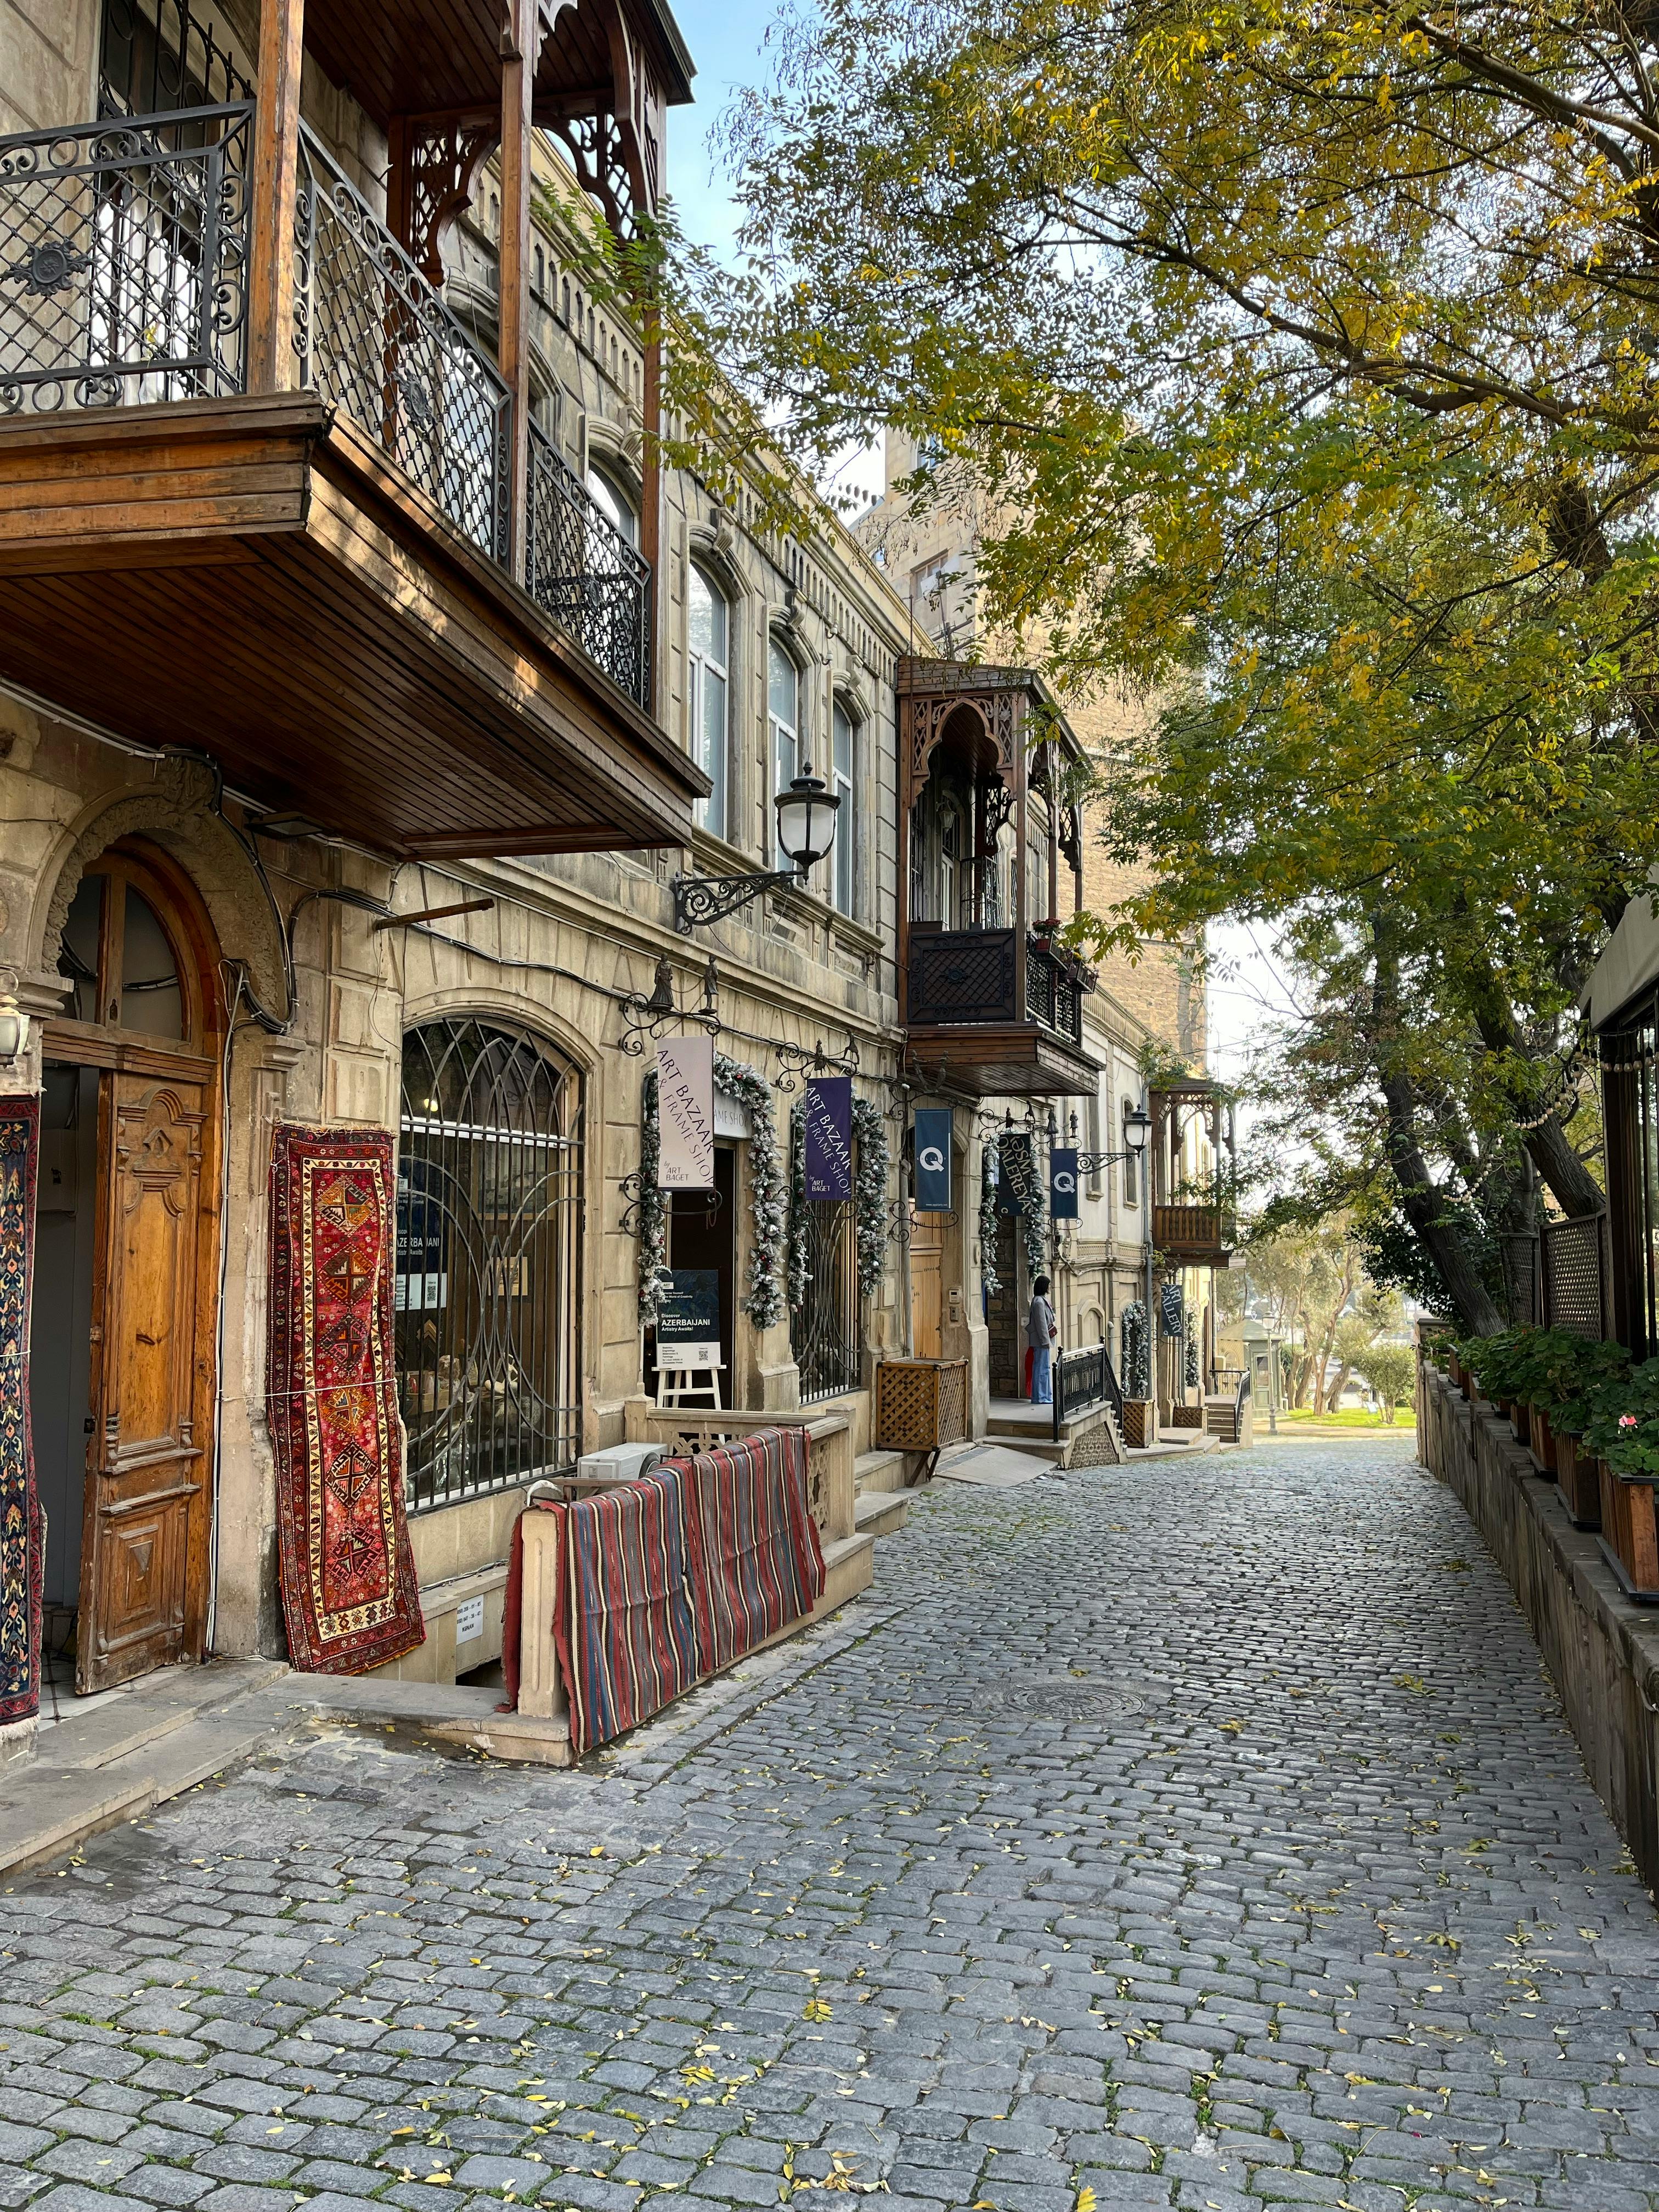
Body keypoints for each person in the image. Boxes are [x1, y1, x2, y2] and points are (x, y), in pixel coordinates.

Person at [1028, 1273, 1058, 1405]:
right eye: (1049, 1285)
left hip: (1043, 1341)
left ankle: (1045, 1395)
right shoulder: (1039, 1302)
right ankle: (1040, 1397)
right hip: (1041, 1342)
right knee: (1041, 1369)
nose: (1050, 1287)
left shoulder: (1041, 1300)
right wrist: (1045, 1341)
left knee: (1044, 1368)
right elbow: (1041, 1324)